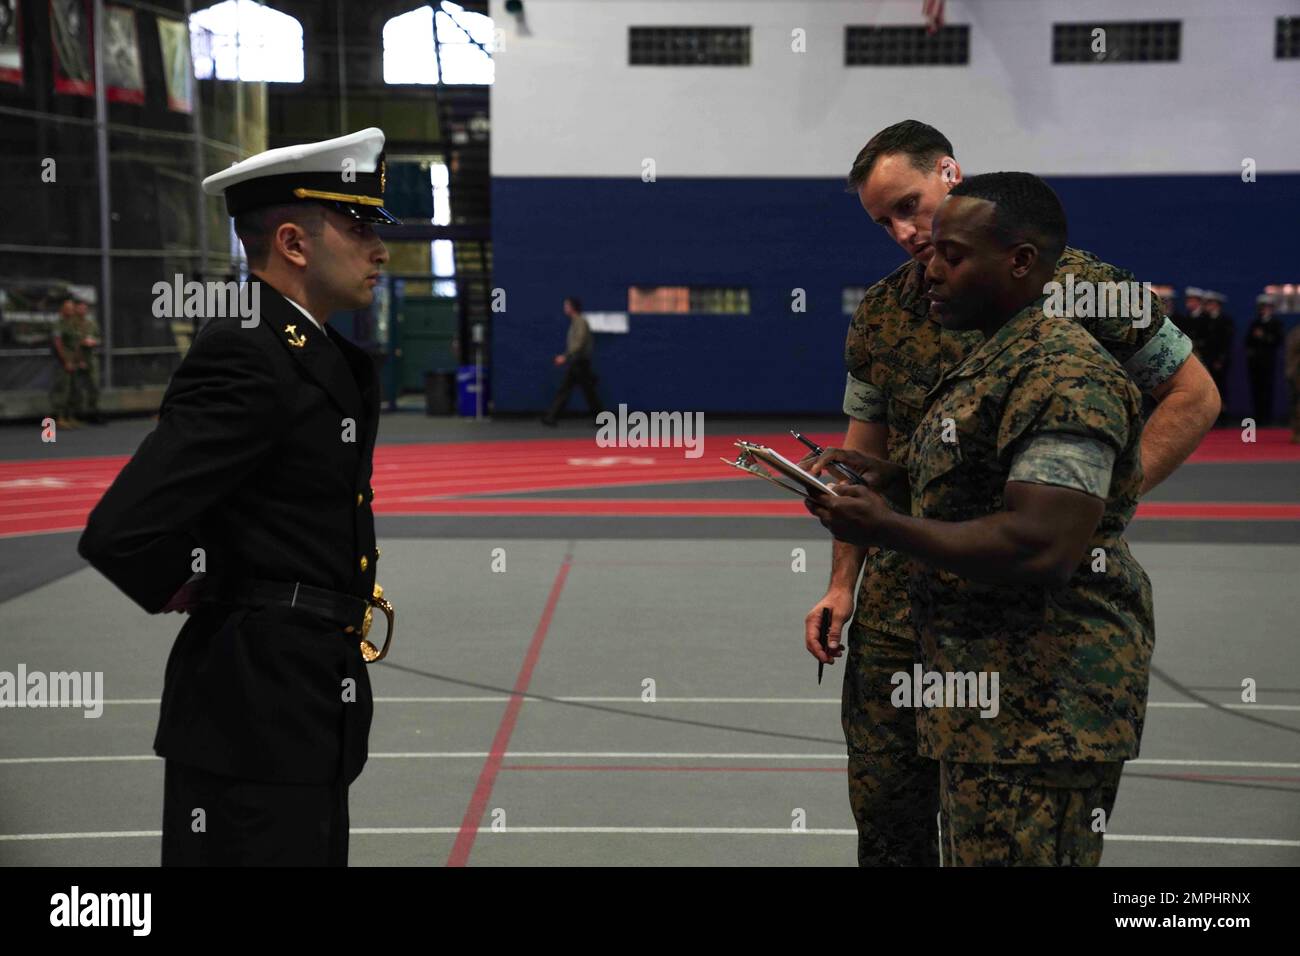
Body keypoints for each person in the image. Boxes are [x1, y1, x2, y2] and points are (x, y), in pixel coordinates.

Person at [803, 120, 1219, 867]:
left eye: (910, 204)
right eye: (884, 221)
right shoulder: (887, 310)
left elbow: (1193, 395)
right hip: (909, 609)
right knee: (896, 830)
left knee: (1009, 834)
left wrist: (1097, 503)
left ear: (951, 175)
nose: (905, 234)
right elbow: (868, 456)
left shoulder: (1081, 295)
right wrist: (843, 584)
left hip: (1022, 619)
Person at [78, 127, 397, 866]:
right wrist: (206, 586)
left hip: (304, 702)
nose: (380, 250)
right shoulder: (249, 352)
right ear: (293, 242)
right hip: (250, 706)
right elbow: (120, 529)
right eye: (357, 229)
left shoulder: (316, 353)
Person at [541, 295, 603, 425]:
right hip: (579, 362)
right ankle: (551, 417)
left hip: (579, 362)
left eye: (566, 305)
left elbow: (579, 343)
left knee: (573, 390)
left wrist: (565, 356)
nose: (565, 308)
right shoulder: (577, 321)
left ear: (572, 307)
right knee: (585, 391)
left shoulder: (580, 322)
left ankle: (551, 417)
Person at [1245, 294, 1284, 425]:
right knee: (1256, 389)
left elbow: (1278, 340)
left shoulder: (1276, 324)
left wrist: (1264, 336)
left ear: (1271, 308)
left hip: (1268, 362)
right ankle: (1258, 415)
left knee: (1267, 389)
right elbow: (1247, 341)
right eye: (1262, 307)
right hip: (1255, 363)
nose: (1264, 309)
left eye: (1266, 307)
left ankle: (1267, 416)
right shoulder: (1255, 323)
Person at [1200, 291, 1234, 411]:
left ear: (1217, 305)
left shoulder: (1225, 321)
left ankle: (1222, 413)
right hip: (1206, 360)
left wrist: (1220, 359)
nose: (1208, 306)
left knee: (1220, 386)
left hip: (1219, 361)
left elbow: (1226, 343)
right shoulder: (1204, 320)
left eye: (1210, 303)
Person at [1286, 321, 1300, 443]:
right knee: (1297, 404)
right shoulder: (1296, 333)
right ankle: (1297, 432)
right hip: (1297, 374)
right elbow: (1292, 356)